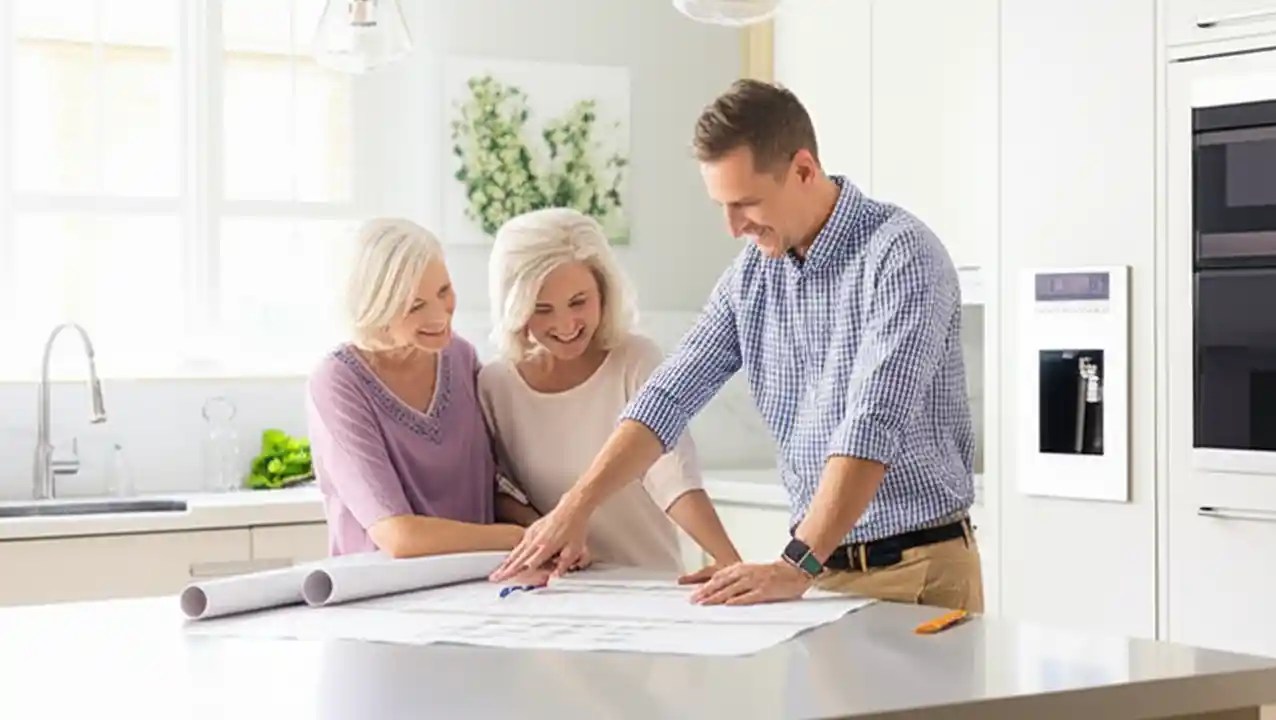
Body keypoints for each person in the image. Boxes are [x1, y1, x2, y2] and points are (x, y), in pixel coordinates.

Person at [492, 79, 983, 612]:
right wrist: (574, 509)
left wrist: (796, 563)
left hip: (914, 571)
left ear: (803, 170)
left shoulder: (901, 256)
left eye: (746, 203)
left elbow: (872, 422)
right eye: (721, 205)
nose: (731, 227)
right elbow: (666, 398)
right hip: (818, 575)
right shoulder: (753, 274)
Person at [477, 207, 741, 574]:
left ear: (603, 290)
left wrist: (729, 560)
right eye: (542, 309)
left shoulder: (634, 359)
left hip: (647, 581)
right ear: (516, 309)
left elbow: (672, 475)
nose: (565, 324)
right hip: (558, 588)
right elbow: (499, 491)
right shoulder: (496, 385)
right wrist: (547, 534)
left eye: (578, 302)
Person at [307, 218, 533, 558]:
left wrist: (550, 530)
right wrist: (522, 539)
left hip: (476, 585)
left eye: (443, 291)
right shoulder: (338, 382)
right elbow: (399, 536)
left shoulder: (459, 355)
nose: (440, 316)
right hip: (385, 598)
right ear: (376, 309)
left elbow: (491, 488)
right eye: (415, 305)